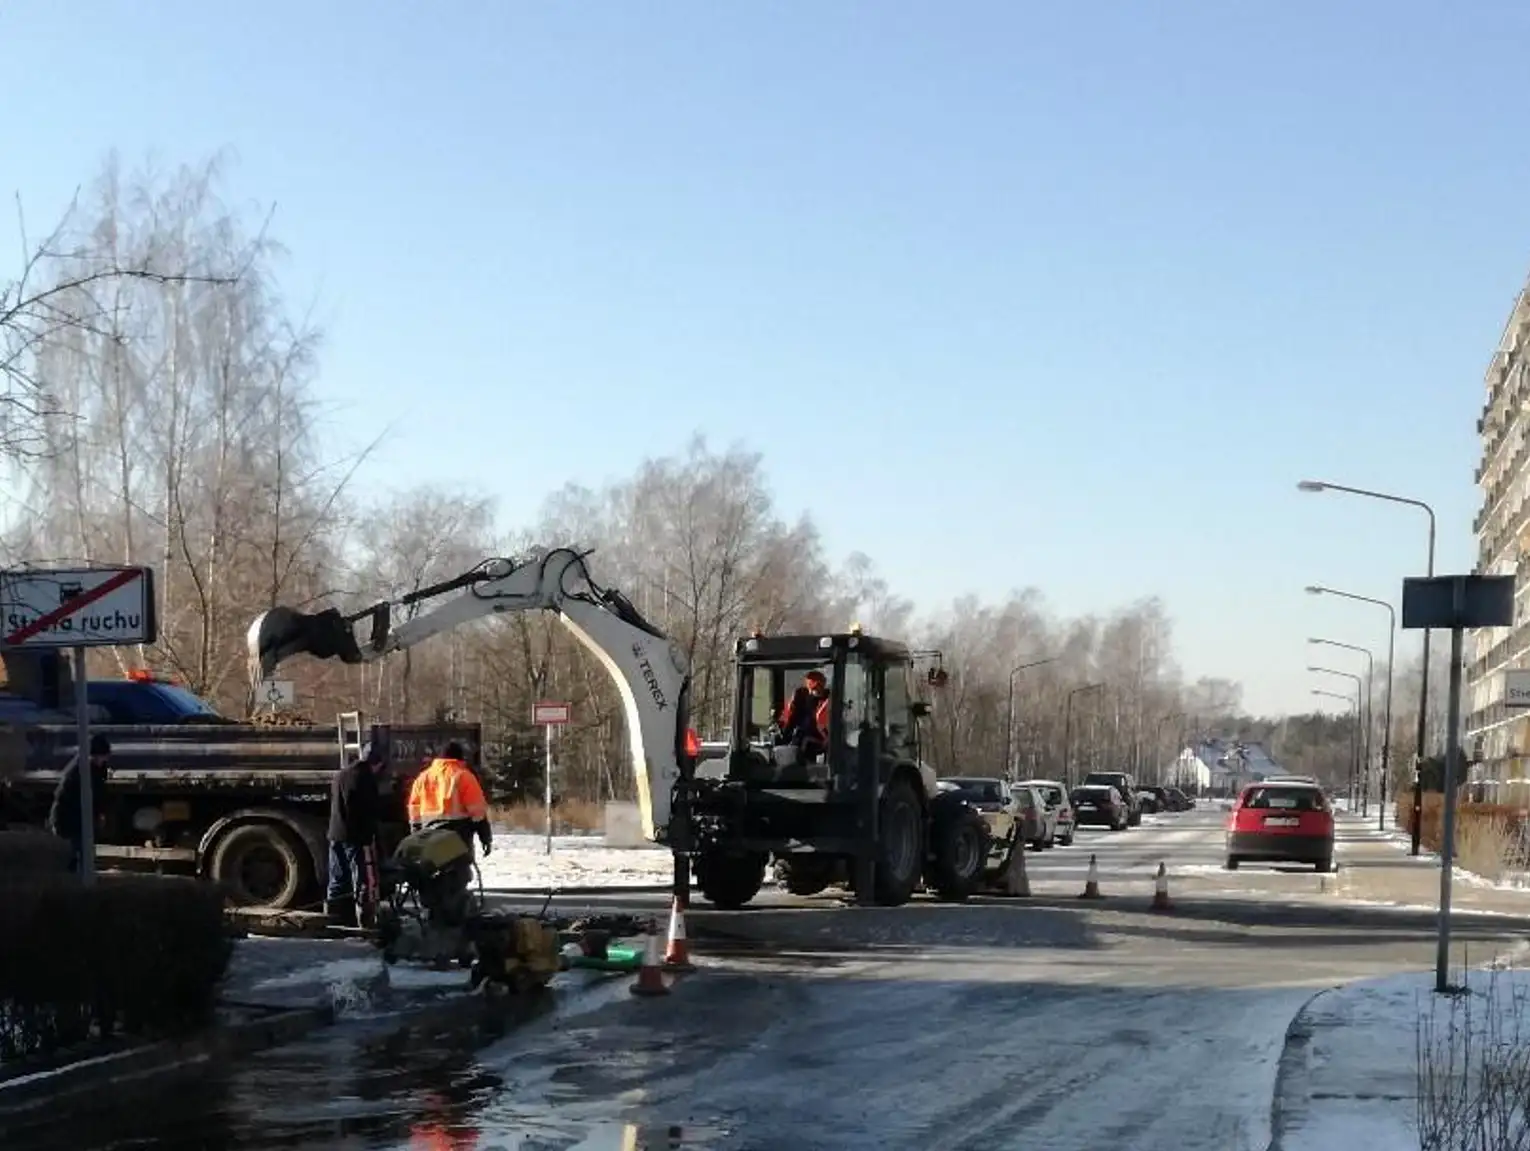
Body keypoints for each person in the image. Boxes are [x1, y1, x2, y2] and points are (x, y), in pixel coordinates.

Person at [326, 741, 385, 926]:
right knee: (360, 879)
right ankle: (364, 919)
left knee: (337, 877)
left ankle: (332, 917)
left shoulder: (341, 774)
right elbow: (369, 810)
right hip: (354, 835)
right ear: (376, 764)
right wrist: (371, 837)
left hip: (335, 833)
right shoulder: (365, 778)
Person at [406, 741, 492, 859]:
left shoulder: (423, 778)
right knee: (458, 872)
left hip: (429, 835)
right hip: (457, 836)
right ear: (460, 757)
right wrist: (485, 838)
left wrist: (416, 833)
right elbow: (478, 813)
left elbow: (414, 809)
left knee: (433, 872)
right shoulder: (463, 776)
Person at [47, 733, 111, 876]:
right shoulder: (82, 772)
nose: (104, 760)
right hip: (72, 818)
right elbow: (94, 795)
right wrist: (98, 813)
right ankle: (79, 878)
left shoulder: (90, 769)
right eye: (102, 756)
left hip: (78, 817)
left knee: (82, 852)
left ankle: (78, 876)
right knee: (81, 852)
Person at [779, 670, 831, 759]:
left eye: (818, 686)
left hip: (820, 739)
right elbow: (789, 717)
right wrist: (783, 731)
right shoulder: (800, 696)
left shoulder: (829, 699)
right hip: (799, 737)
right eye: (812, 688)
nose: (814, 691)